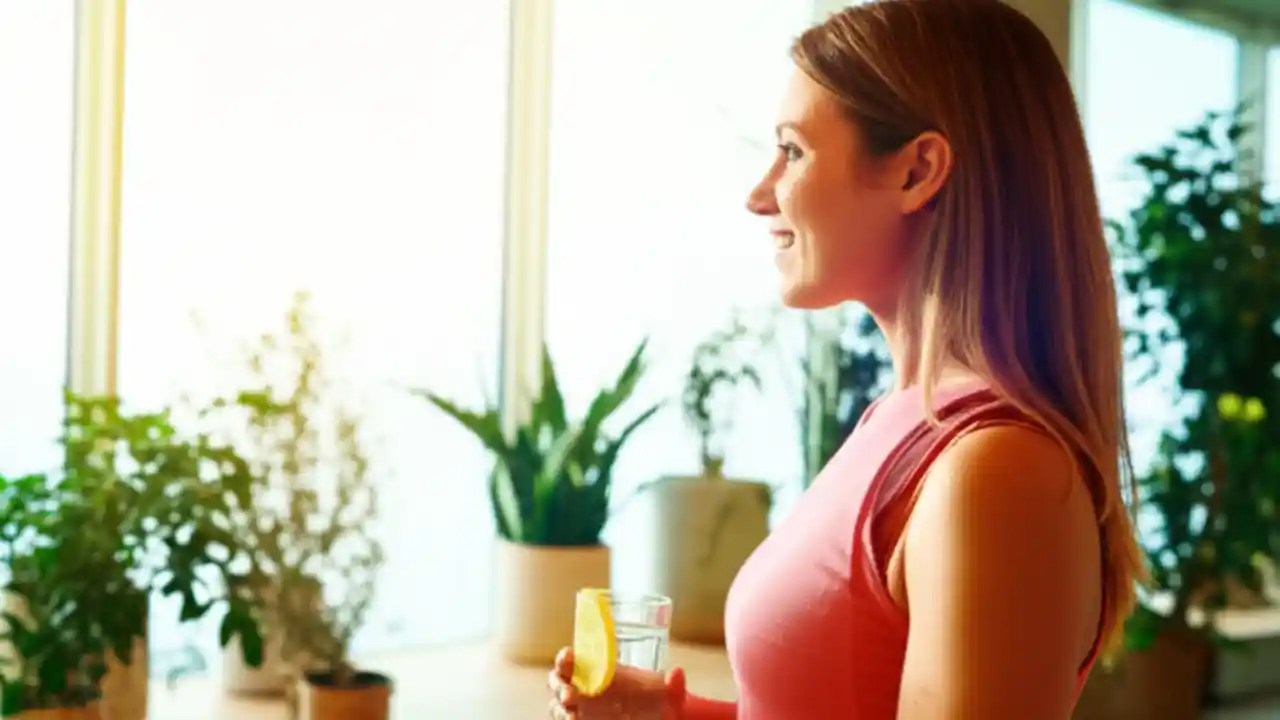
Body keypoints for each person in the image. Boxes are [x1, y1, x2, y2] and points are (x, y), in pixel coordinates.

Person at [548, 0, 1145, 717]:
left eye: (793, 150)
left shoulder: (997, 471)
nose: (759, 194)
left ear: (917, 170)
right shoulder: (900, 424)